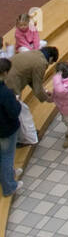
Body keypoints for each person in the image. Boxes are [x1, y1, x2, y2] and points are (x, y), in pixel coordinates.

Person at [0, 59, 22, 198]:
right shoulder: (5, 93)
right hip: (6, 129)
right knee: (7, 156)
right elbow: (14, 112)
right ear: (5, 73)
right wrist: (17, 102)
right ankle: (9, 187)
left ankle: (8, 174)